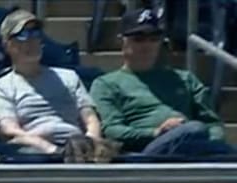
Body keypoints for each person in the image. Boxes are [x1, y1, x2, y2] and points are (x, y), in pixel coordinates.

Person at [90, 8, 231, 157]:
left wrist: (212, 140)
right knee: (193, 129)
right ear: (122, 42)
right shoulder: (106, 84)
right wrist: (156, 132)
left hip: (194, 145)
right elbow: (112, 130)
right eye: (138, 38)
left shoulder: (185, 79)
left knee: (212, 144)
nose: (147, 44)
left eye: (154, 38)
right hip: (146, 152)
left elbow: (212, 123)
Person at [0, 8, 105, 158]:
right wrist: (51, 150)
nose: (32, 41)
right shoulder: (1, 87)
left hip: (77, 146)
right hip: (34, 150)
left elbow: (90, 118)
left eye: (36, 33)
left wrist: (92, 142)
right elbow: (9, 131)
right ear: (7, 45)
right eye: (23, 35)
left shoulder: (69, 77)